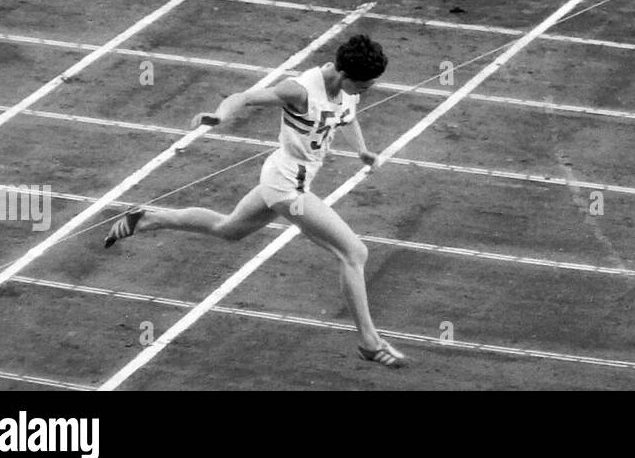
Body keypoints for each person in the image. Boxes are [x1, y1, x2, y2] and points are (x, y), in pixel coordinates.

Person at [103, 34, 408, 368]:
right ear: (345, 74)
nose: (368, 90)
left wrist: (361, 150)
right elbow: (244, 97)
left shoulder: (345, 90)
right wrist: (219, 117)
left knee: (228, 229)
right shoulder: (301, 91)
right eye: (365, 85)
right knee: (354, 252)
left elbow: (346, 117)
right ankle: (369, 341)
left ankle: (148, 218)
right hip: (287, 187)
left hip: (280, 177)